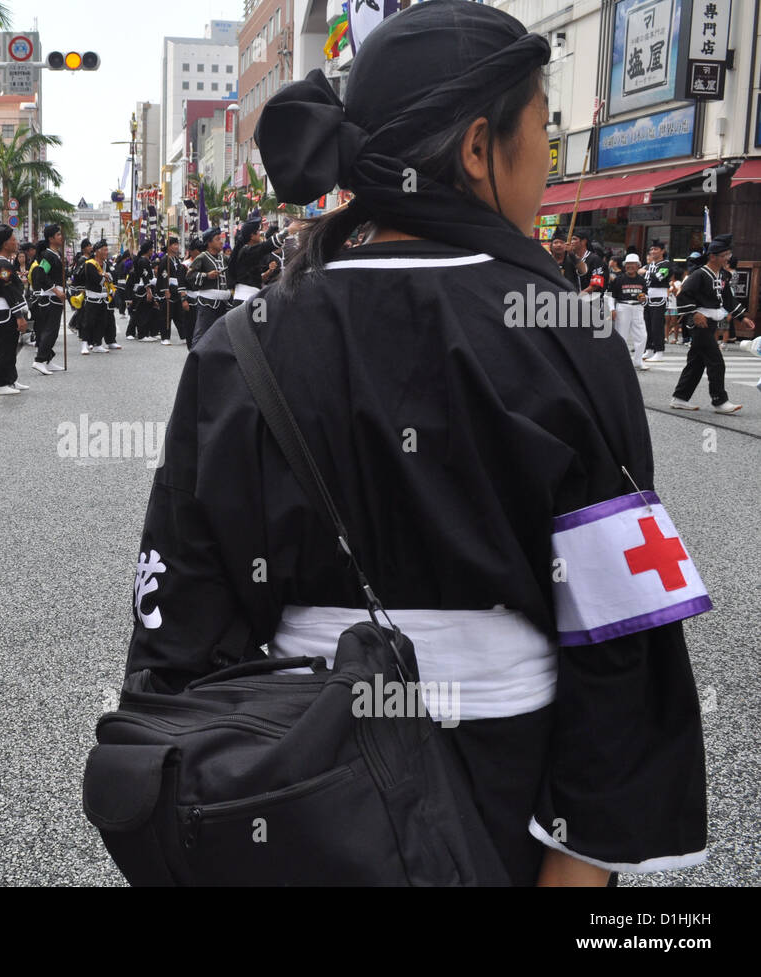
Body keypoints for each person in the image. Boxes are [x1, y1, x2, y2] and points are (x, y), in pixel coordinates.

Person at [122, 0, 708, 886]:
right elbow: (617, 641)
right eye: (542, 133)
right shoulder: (567, 335)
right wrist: (580, 865)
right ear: (478, 149)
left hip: (292, 796)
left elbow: (178, 634)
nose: (547, 168)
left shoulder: (242, 345)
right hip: (509, 793)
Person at [670, 233, 752, 414]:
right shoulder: (699, 274)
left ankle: (680, 398)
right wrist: (694, 313)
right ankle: (719, 401)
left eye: (728, 255)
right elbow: (683, 295)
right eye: (724, 255)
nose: (727, 259)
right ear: (713, 256)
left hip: (711, 322)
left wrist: (742, 317)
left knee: (696, 363)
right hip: (699, 323)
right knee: (716, 362)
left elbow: (728, 298)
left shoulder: (723, 275)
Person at [0, 226, 30, 394]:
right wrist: (19, 316)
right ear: (5, 243)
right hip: (4, 312)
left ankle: (11, 379)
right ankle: (0, 384)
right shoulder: (1, 264)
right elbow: (8, 291)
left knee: (10, 348)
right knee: (5, 350)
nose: (16, 243)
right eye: (13, 240)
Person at [28, 223, 66, 375]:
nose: (61, 237)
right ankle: (39, 360)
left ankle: (48, 360)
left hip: (56, 297)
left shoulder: (57, 254)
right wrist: (56, 291)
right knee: (50, 330)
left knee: (53, 331)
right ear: (51, 238)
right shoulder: (48, 255)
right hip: (50, 298)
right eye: (58, 235)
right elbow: (40, 275)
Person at [228, 216, 290, 305]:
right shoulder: (247, 251)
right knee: (261, 318)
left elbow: (254, 278)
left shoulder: (245, 250)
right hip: (246, 299)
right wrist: (288, 231)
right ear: (252, 236)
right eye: (257, 232)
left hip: (249, 298)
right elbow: (266, 247)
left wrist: (269, 272)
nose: (259, 234)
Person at [608, 253, 650, 373]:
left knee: (642, 335)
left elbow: (645, 295)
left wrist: (644, 298)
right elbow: (611, 295)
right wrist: (612, 309)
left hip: (637, 308)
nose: (630, 266)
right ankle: (620, 361)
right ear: (625, 265)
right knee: (621, 336)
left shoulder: (642, 280)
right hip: (623, 306)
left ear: (638, 266)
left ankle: (638, 361)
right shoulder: (619, 279)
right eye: (628, 264)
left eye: (633, 264)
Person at [189, 226, 231, 345]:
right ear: (209, 242)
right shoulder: (202, 257)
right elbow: (189, 276)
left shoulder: (225, 258)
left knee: (222, 334)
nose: (221, 242)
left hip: (224, 302)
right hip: (207, 302)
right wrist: (207, 275)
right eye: (217, 239)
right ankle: (195, 360)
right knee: (201, 334)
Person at [78, 240, 113, 356]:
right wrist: (104, 276)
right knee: (88, 322)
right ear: (97, 251)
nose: (106, 252)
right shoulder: (90, 264)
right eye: (104, 250)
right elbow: (95, 280)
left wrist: (105, 276)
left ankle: (98, 344)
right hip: (92, 297)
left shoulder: (106, 264)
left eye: (107, 250)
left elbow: (112, 277)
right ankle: (84, 344)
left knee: (101, 322)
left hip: (103, 297)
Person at [640, 239, 671, 362]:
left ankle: (659, 350)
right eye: (651, 249)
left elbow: (659, 277)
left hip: (659, 297)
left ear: (662, 251)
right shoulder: (648, 265)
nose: (653, 251)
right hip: (646, 297)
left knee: (656, 326)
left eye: (656, 249)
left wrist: (645, 272)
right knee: (646, 325)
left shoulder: (666, 265)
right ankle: (649, 349)